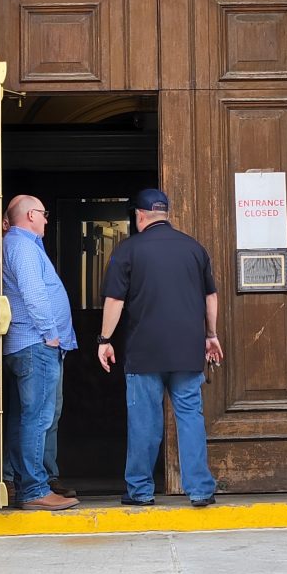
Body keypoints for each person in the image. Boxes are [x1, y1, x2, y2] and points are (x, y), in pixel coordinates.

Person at [97, 188, 223, 507]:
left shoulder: (128, 250)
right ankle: (199, 489)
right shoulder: (194, 248)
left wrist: (105, 339)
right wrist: (211, 335)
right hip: (187, 350)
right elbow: (210, 296)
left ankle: (140, 490)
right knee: (190, 417)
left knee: (145, 422)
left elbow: (115, 300)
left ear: (139, 216)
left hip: (145, 352)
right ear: (165, 213)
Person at [2, 194, 79, 511]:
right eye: (44, 214)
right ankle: (34, 490)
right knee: (38, 417)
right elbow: (34, 294)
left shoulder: (22, 245)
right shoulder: (21, 246)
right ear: (31, 215)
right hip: (36, 344)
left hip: (33, 345)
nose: (47, 219)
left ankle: (27, 482)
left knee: (27, 417)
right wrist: (51, 334)